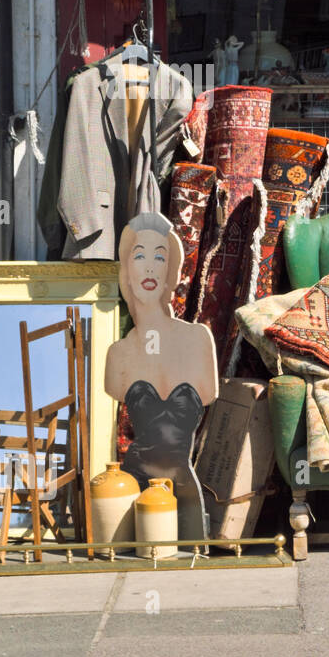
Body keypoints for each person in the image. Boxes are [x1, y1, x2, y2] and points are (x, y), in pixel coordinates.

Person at [105, 212, 218, 541]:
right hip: (129, 499)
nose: (150, 267)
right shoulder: (117, 354)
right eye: (139, 256)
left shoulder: (198, 340)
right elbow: (113, 388)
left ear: (172, 272)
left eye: (160, 256)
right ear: (126, 270)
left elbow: (209, 393)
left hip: (187, 501)